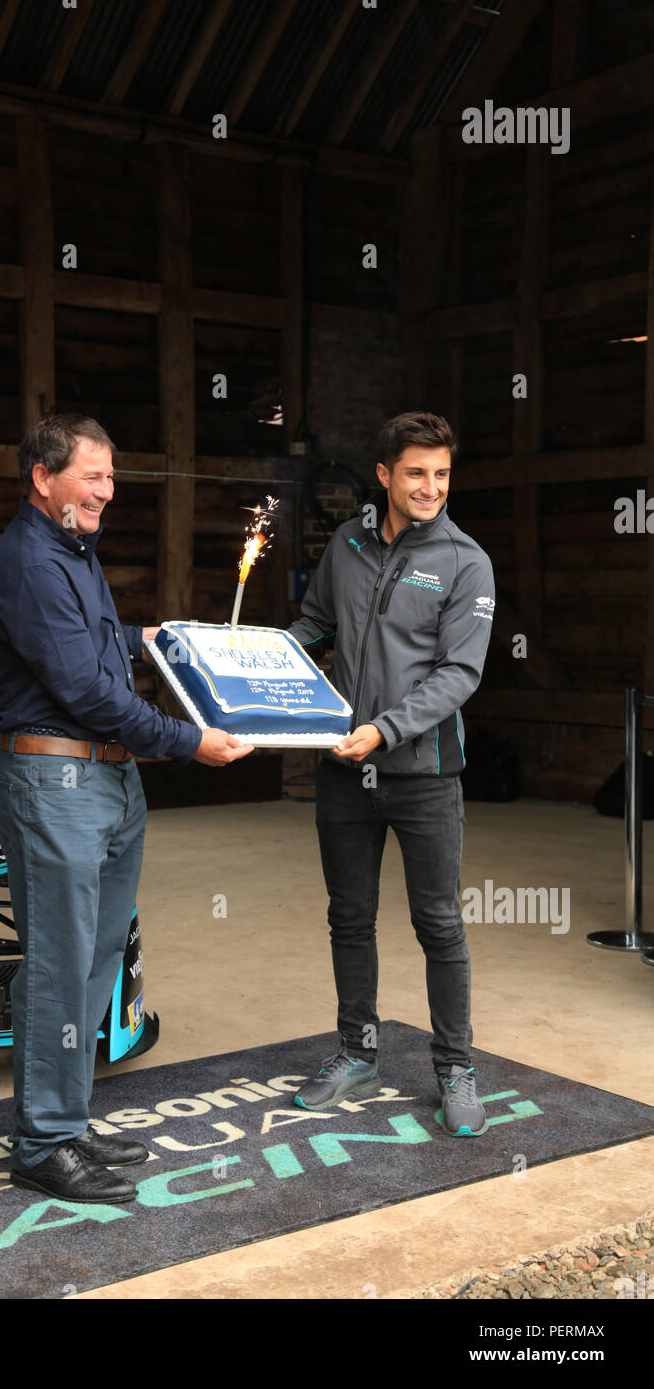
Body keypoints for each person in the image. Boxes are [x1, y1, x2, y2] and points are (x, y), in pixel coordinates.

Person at [0, 414, 251, 1204]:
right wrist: (187, 741)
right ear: (43, 478)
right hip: (57, 783)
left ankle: (66, 1121)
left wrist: (147, 637)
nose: (106, 491)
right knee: (59, 968)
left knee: (96, 958)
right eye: (91, 476)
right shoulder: (31, 561)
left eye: (110, 476)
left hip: (104, 782)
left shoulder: (72, 549)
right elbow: (86, 692)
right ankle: (42, 1144)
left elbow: (91, 643)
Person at [287, 412, 495, 1135]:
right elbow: (313, 626)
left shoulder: (467, 562)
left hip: (423, 773)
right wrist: (250, 665)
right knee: (349, 917)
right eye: (415, 473)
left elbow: (459, 673)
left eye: (441, 474)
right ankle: (357, 1052)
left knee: (438, 923)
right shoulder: (346, 544)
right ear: (384, 474)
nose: (430, 487)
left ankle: (456, 1069)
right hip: (344, 772)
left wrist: (385, 729)